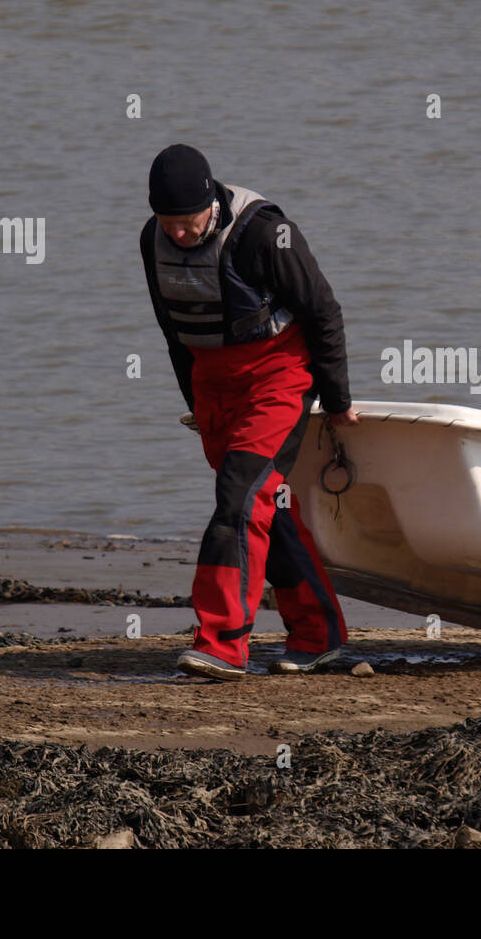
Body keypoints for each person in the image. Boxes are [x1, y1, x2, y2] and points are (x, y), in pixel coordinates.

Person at [139, 144, 356, 680]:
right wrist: (197, 406)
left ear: (209, 202)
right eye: (168, 224)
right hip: (213, 384)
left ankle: (221, 642)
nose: (178, 235)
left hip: (277, 377)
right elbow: (173, 332)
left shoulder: (265, 233)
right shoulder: (153, 240)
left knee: (238, 500)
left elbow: (323, 310)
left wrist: (337, 400)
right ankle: (319, 634)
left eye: (187, 224)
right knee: (267, 505)